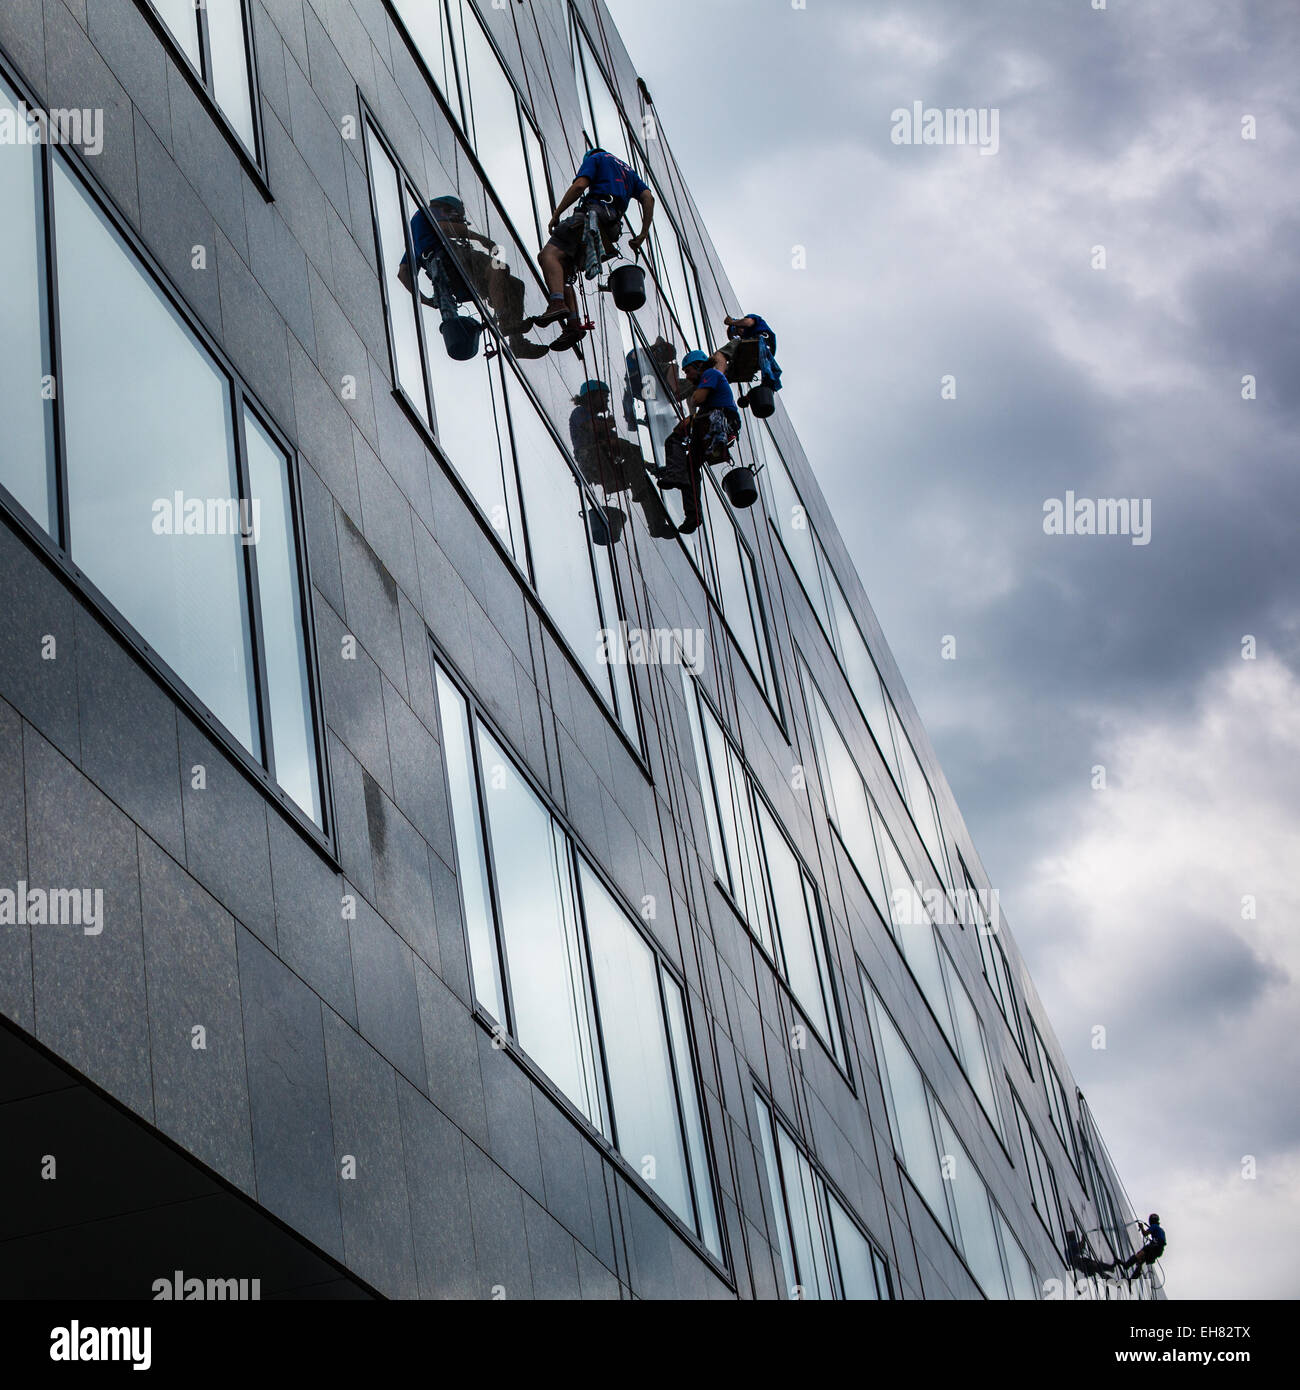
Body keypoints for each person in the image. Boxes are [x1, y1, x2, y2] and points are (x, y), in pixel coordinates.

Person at [397, 197, 547, 359]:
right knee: (499, 268)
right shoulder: (429, 211)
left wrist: (425, 300)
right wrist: (480, 238)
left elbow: (403, 273)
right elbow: (443, 227)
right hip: (451, 258)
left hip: (453, 271)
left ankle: (517, 343)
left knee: (516, 285)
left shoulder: (416, 242)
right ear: (448, 209)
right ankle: (505, 321)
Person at [538, 148, 655, 352]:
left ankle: (557, 303)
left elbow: (579, 186)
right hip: (611, 228)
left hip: (593, 214)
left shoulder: (597, 158)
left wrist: (556, 214)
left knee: (548, 255)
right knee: (562, 271)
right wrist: (643, 234)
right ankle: (573, 325)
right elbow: (648, 198)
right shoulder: (630, 172)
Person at [569, 381, 676, 539]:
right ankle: (641, 484)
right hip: (592, 462)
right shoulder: (580, 412)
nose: (607, 400)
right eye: (604, 396)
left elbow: (619, 448)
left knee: (643, 481)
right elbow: (593, 428)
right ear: (591, 396)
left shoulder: (598, 421)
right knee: (626, 448)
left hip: (604, 466)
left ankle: (657, 526)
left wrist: (645, 465)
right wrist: (608, 425)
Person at [664, 350, 740, 533]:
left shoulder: (710, 373)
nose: (687, 376)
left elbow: (698, 398)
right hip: (713, 422)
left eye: (688, 371)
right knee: (690, 467)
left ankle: (675, 474)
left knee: (673, 440)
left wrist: (692, 414)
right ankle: (693, 516)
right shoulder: (710, 377)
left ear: (699, 366)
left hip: (718, 420)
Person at [718, 311, 783, 401]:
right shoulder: (748, 340)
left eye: (736, 334)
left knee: (768, 373)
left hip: (762, 343)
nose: (739, 335)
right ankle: (750, 397)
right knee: (767, 380)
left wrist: (731, 322)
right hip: (762, 353)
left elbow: (748, 322)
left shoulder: (753, 321)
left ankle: (719, 375)